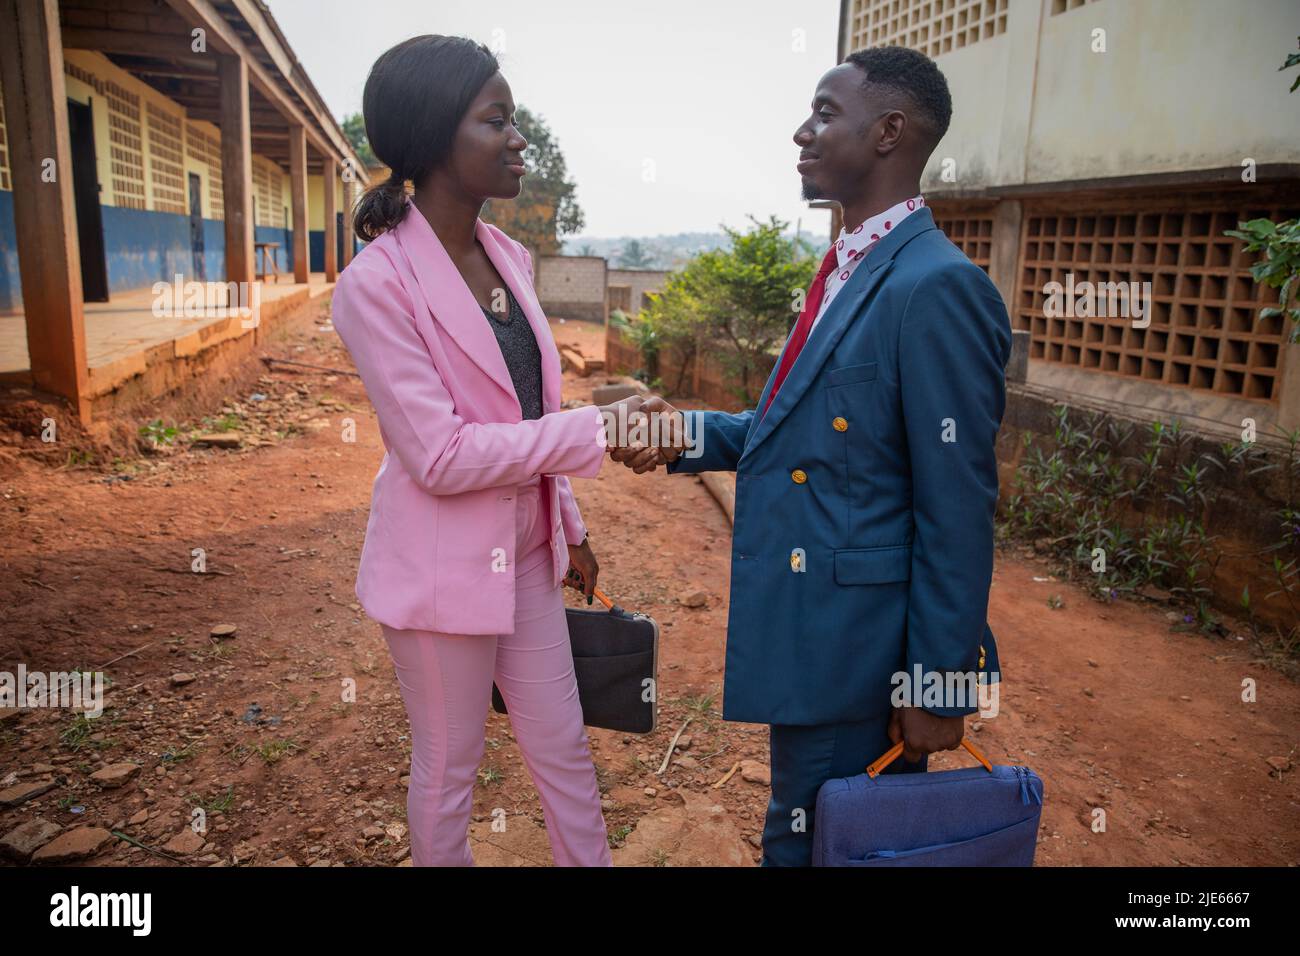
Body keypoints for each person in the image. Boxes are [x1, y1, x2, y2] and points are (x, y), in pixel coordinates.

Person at [613, 46, 1011, 866]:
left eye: (826, 112)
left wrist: (940, 685)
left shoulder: (935, 286)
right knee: (820, 833)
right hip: (815, 636)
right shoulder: (844, 271)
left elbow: (957, 505)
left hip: (860, 653)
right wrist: (679, 432)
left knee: (813, 842)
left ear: (889, 133)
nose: (802, 130)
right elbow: (784, 429)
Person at [331, 35, 643, 866]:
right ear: (435, 136)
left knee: (565, 748)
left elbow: (534, 404)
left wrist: (567, 522)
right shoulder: (376, 285)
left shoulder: (507, 256)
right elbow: (437, 455)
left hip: (528, 552)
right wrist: (600, 434)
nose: (518, 139)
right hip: (440, 573)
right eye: (496, 120)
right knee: (450, 770)